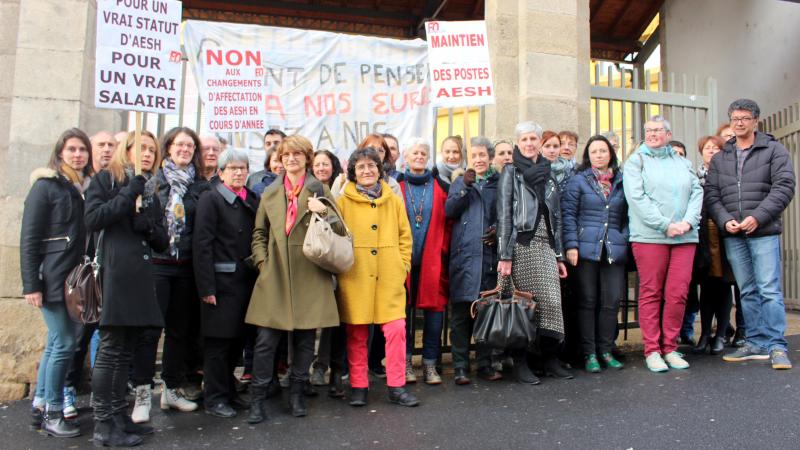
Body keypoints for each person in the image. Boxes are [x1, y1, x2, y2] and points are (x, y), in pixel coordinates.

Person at [245, 135, 341, 423]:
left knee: (304, 340)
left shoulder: (319, 188)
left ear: (306, 158)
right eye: (286, 155)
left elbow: (338, 228)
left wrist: (322, 210)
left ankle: (298, 393)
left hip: (309, 272)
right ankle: (257, 399)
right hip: (275, 274)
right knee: (265, 341)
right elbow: (259, 233)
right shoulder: (270, 193)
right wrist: (263, 262)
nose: (291, 159)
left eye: (297, 154)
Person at [85, 130, 167, 447]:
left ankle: (119, 416)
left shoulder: (150, 189)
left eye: (151, 150)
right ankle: (104, 424)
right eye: (140, 148)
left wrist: (147, 221)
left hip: (141, 274)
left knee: (126, 350)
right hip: (116, 272)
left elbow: (161, 240)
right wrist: (127, 194)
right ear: (127, 150)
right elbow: (94, 218)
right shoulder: (107, 180)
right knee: (111, 349)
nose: (146, 154)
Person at [706, 99, 796, 370]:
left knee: (769, 289)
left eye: (745, 118)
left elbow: (784, 186)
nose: (740, 122)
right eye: (735, 118)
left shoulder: (774, 150)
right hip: (734, 234)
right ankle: (755, 342)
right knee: (747, 290)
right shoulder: (722, 157)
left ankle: (777, 346)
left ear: (756, 120)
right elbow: (712, 194)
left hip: (764, 230)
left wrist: (758, 217)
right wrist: (725, 221)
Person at [131, 127, 210, 419]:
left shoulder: (201, 186)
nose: (185, 150)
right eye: (180, 144)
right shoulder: (153, 181)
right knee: (151, 330)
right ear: (169, 147)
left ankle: (171, 389)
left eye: (190, 146)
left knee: (180, 331)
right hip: (158, 264)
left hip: (186, 267)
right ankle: (142, 393)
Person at [20, 128, 92, 438]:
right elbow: (29, 239)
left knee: (55, 343)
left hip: (71, 280)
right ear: (60, 152)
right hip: (50, 279)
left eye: (82, 149)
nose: (78, 154)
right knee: (63, 342)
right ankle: (52, 410)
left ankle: (39, 406)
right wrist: (30, 284)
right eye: (72, 149)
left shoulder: (78, 187)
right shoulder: (46, 187)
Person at [335, 147, 419, 407]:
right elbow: (335, 239)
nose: (367, 170)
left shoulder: (393, 199)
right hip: (355, 276)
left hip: (388, 275)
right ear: (353, 172)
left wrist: (402, 264)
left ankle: (397, 386)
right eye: (360, 167)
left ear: (379, 169)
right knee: (357, 333)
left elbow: (405, 235)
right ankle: (359, 386)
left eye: (371, 165)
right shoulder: (342, 201)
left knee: (396, 331)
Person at [623, 115, 703, 372]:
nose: (653, 133)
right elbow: (636, 198)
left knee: (678, 293)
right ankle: (652, 350)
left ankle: (670, 347)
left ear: (669, 134)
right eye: (648, 130)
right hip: (650, 236)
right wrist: (665, 225)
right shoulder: (636, 161)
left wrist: (688, 222)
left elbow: (697, 192)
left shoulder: (682, 162)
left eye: (658, 130)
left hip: (685, 236)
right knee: (651, 291)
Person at [496, 121, 569, 385]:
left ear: (540, 142)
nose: (529, 143)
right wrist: (505, 256)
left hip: (546, 246)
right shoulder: (510, 171)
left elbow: (556, 216)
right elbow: (504, 214)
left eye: (533, 139)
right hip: (520, 246)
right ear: (518, 142)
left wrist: (559, 255)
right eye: (524, 139)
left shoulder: (549, 173)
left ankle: (550, 360)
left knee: (551, 304)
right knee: (524, 306)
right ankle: (521, 363)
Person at [192, 148, 260, 418]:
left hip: (244, 283)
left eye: (242, 167)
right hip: (220, 284)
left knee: (236, 343)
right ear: (220, 173)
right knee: (218, 346)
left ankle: (229, 391)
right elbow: (202, 246)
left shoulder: (250, 199)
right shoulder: (211, 199)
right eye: (232, 168)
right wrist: (206, 288)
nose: (239, 172)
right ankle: (215, 397)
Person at [561, 135, 628, 373]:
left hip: (613, 249)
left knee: (611, 302)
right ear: (587, 156)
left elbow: (629, 215)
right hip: (585, 250)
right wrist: (571, 245)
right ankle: (589, 353)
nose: (599, 155)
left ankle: (606, 350)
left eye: (603, 151)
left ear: (610, 153)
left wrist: (623, 237)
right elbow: (568, 214)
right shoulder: (578, 181)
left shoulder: (622, 180)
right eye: (594, 152)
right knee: (587, 301)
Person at [445, 137, 502, 384]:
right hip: (464, 256)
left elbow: (506, 214)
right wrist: (463, 188)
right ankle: (460, 365)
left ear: (490, 157)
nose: (478, 160)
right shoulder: (459, 182)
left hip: (488, 256)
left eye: (482, 155)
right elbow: (450, 211)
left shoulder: (499, 183)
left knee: (486, 313)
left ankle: (484, 363)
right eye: (474, 155)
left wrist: (498, 229)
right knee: (459, 315)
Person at [399, 138, 450, 385]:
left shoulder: (439, 186)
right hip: (403, 261)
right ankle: (406, 363)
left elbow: (447, 223)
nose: (419, 156)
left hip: (432, 260)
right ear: (405, 157)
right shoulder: (395, 185)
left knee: (434, 313)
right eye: (414, 152)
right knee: (402, 314)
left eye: (423, 153)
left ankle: (430, 364)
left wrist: (442, 249)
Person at [691, 135, 734, 355]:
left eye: (716, 148)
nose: (711, 151)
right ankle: (705, 333)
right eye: (707, 148)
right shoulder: (692, 175)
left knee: (724, 284)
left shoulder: (729, 173)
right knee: (706, 285)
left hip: (724, 231)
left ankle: (721, 333)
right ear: (701, 152)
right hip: (702, 234)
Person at [309, 148, 345, 388]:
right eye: (317, 164)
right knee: (309, 318)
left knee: (332, 319)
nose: (321, 168)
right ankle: (304, 367)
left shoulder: (341, 190)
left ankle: (324, 366)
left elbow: (340, 225)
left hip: (332, 259)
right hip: (310, 259)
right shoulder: (304, 189)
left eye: (325, 164)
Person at [716, 121, 745, 347]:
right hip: (722, 232)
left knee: (745, 285)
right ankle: (724, 328)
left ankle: (744, 330)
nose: (730, 138)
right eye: (725, 136)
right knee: (723, 285)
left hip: (747, 229)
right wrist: (726, 220)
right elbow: (714, 196)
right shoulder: (719, 164)